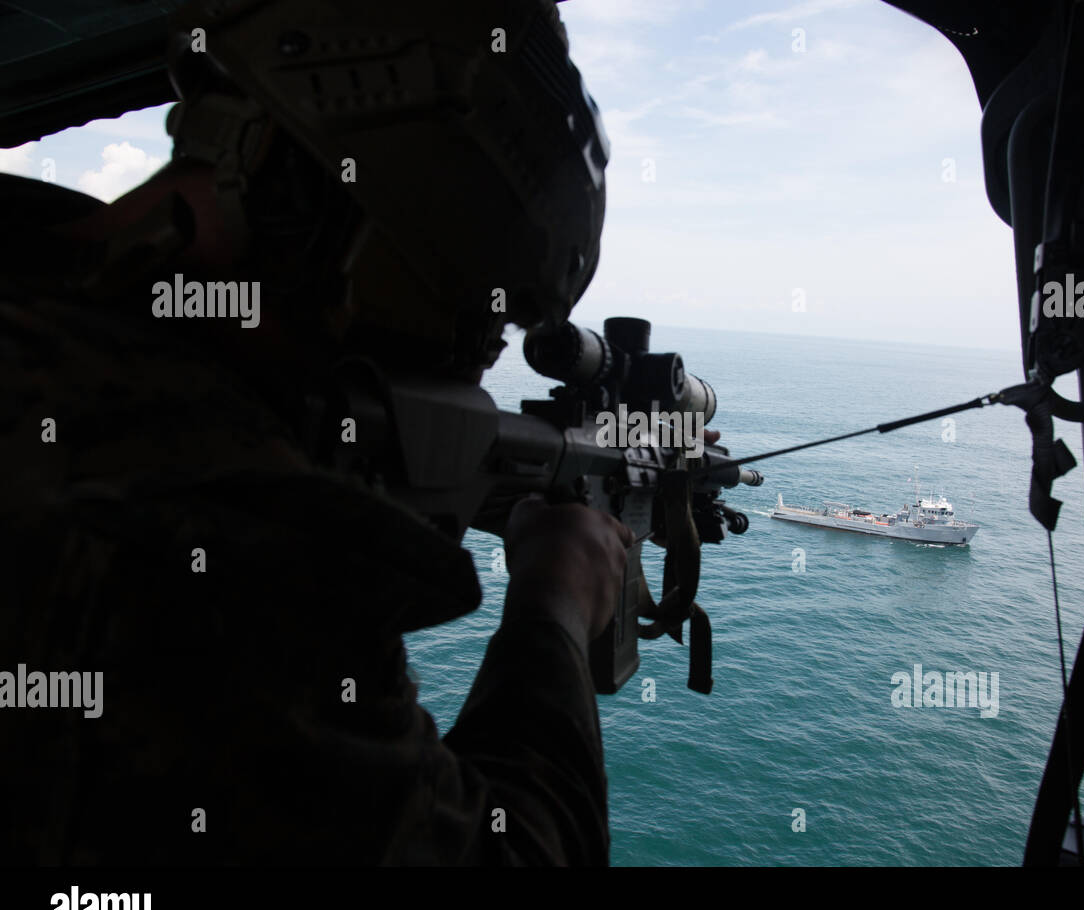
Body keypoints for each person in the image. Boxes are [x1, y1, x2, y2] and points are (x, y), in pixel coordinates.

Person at [0, 0, 634, 864]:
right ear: (354, 256)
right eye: (468, 326)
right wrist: (557, 602)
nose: (476, 370)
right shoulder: (194, 534)